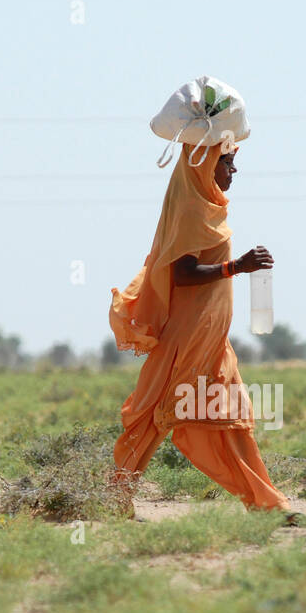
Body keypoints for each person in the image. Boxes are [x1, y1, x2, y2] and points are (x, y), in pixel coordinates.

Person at [108, 139, 288, 512]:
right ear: (204, 166)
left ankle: (264, 502)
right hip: (186, 339)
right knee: (154, 415)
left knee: (231, 415)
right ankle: (113, 499)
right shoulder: (191, 208)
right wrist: (235, 267)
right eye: (226, 162)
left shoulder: (209, 208)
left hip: (211, 339)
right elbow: (183, 272)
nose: (232, 171)